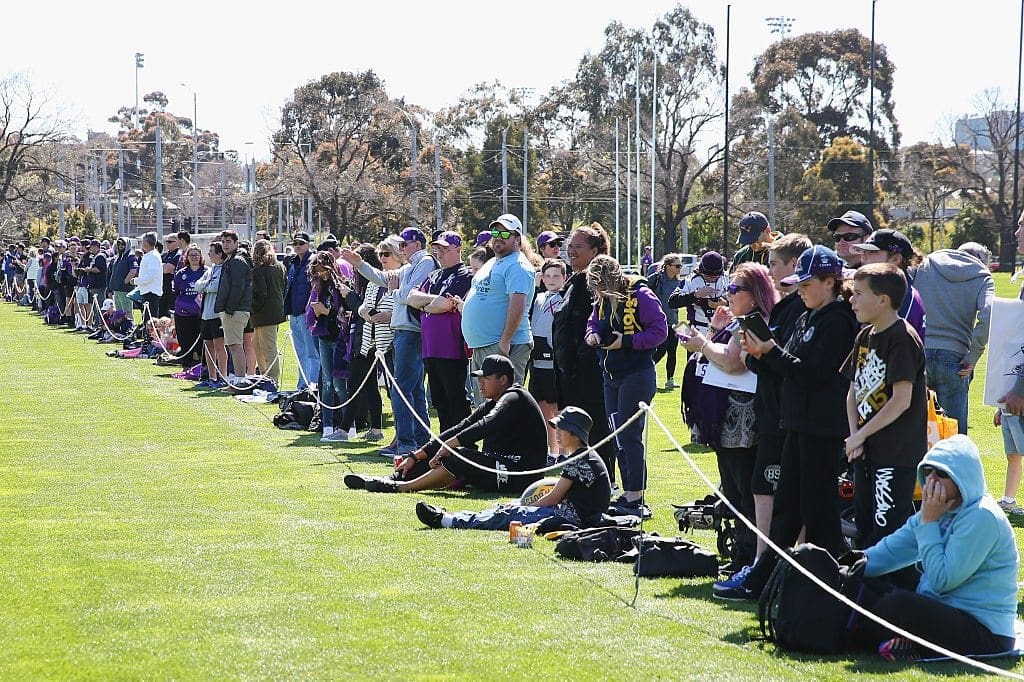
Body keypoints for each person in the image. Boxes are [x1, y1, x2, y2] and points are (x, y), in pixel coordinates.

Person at [719, 245, 859, 600]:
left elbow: (812, 374)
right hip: (795, 424)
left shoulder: (839, 321)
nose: (801, 291)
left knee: (818, 512)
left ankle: (836, 585)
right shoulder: (806, 315)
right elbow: (785, 368)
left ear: (830, 282)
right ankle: (766, 577)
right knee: (788, 509)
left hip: (821, 428)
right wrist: (760, 355)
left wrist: (771, 352)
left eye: (808, 284)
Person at [853, 436, 1019, 661]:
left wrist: (929, 523)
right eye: (928, 471)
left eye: (941, 474)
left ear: (963, 479)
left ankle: (854, 633)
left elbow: (943, 579)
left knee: (898, 605)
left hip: (985, 633)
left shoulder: (982, 517)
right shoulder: (939, 509)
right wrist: (853, 566)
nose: (931, 479)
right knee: (871, 584)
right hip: (943, 611)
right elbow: (892, 551)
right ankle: (893, 638)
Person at [681, 263, 778, 577]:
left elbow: (732, 363)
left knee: (743, 489)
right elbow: (713, 356)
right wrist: (711, 332)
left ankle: (747, 558)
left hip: (746, 421)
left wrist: (703, 344)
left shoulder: (755, 322)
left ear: (754, 295)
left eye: (735, 289)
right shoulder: (739, 321)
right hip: (729, 419)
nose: (728, 294)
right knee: (733, 488)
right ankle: (741, 553)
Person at [344, 355, 547, 495]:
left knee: (459, 454)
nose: (481, 383)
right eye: (480, 378)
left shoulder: (515, 397)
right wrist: (417, 455)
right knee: (440, 454)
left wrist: (449, 445)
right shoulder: (494, 401)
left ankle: (400, 488)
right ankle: (391, 479)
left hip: (519, 474)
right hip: (498, 466)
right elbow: (461, 427)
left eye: (486, 377)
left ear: (503, 380)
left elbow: (486, 425)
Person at [414, 406, 611, 531]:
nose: (557, 433)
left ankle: (447, 520)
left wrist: (521, 506)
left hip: (574, 519)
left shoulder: (580, 460)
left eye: (562, 429)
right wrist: (518, 502)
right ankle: (455, 518)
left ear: (575, 434)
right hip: (572, 514)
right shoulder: (583, 456)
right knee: (506, 509)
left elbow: (554, 497)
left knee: (507, 515)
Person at [843, 264, 928, 548]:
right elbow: (853, 391)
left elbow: (901, 401)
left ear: (883, 300)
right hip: (865, 450)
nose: (851, 300)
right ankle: (864, 588)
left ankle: (891, 589)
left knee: (887, 525)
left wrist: (861, 435)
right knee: (865, 525)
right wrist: (855, 435)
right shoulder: (864, 336)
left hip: (895, 452)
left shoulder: (902, 338)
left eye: (858, 294)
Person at [744, 233, 811, 561]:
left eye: (773, 264)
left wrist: (764, 353)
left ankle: (768, 563)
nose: (769, 271)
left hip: (786, 414)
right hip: (772, 410)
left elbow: (794, 365)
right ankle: (769, 563)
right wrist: (757, 354)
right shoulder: (788, 306)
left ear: (794, 265)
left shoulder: (802, 308)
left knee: (771, 490)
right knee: (767, 489)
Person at [585, 254, 668, 516]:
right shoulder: (602, 299)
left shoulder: (641, 294)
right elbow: (593, 320)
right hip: (610, 375)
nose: (597, 293)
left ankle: (636, 495)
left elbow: (660, 331)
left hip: (636, 374)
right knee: (618, 435)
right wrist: (592, 334)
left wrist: (627, 342)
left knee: (630, 435)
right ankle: (628, 491)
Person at [342, 227, 436, 456]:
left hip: (410, 331)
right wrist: (359, 264)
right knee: (410, 390)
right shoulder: (408, 267)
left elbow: (408, 295)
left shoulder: (425, 261)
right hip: (402, 331)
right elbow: (383, 279)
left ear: (418, 244)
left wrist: (395, 291)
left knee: (402, 389)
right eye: (400, 245)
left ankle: (407, 444)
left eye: (405, 244)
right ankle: (419, 441)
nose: (402, 249)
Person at [552, 223, 618, 485]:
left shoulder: (595, 282)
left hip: (589, 373)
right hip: (569, 372)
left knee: (595, 429)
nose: (571, 251)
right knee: (574, 432)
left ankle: (603, 482)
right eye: (570, 247)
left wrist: (580, 361)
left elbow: (596, 325)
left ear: (595, 250)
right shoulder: (574, 280)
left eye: (578, 246)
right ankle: (579, 479)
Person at [911, 243, 993, 434]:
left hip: (918, 352)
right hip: (955, 357)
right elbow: (989, 313)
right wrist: (973, 355)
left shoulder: (927, 263)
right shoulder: (982, 276)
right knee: (955, 434)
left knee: (915, 429)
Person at [459, 214, 536, 395]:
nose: (498, 237)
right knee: (484, 406)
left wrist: (504, 342)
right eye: (495, 232)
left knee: (503, 407)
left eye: (505, 234)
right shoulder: (493, 261)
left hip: (504, 345)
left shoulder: (518, 265)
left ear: (517, 239)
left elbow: (517, 305)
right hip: (482, 345)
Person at [407, 230, 473, 433]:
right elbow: (411, 297)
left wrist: (426, 303)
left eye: (445, 249)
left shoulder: (466, 275)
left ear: (458, 249)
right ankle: (444, 447)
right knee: (439, 400)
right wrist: (430, 304)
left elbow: (447, 304)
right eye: (437, 249)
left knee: (456, 399)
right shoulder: (433, 275)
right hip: (430, 347)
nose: (440, 253)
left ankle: (463, 447)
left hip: (451, 347)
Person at [338, 245, 389, 442]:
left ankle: (344, 430)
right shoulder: (368, 284)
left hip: (367, 339)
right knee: (369, 385)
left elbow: (366, 311)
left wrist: (348, 296)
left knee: (356, 384)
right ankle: (375, 429)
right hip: (362, 337)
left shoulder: (374, 284)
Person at [850, 229, 926, 342]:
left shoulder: (904, 297)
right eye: (864, 252)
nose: (864, 257)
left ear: (895, 259)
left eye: (872, 252)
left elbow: (895, 346)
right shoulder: (886, 289)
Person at [307, 251, 350, 442]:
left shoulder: (341, 287)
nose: (320, 274)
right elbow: (312, 313)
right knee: (326, 383)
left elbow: (344, 314)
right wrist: (318, 313)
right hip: (324, 337)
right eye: (317, 271)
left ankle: (349, 425)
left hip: (339, 338)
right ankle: (327, 425)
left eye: (323, 270)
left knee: (340, 384)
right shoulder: (318, 287)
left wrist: (327, 311)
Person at [529, 258, 567, 454]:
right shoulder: (538, 298)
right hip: (537, 362)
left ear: (564, 277)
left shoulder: (564, 298)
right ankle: (550, 451)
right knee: (542, 406)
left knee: (557, 408)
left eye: (556, 276)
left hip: (554, 362)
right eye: (548, 276)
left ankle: (562, 452)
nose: (552, 279)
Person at [214, 230, 253, 387]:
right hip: (236, 309)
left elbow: (238, 287)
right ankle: (239, 379)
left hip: (236, 310)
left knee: (235, 346)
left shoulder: (237, 261)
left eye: (228, 241)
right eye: (223, 242)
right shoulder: (233, 260)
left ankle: (239, 380)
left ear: (236, 242)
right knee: (234, 345)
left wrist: (229, 309)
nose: (225, 245)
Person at [284, 231, 319, 390]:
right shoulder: (293, 262)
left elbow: (315, 288)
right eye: (295, 243)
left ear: (308, 244)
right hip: (295, 313)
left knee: (312, 353)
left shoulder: (313, 262)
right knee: (300, 353)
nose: (297, 246)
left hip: (308, 314)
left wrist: (311, 311)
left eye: (301, 243)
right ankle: (302, 385)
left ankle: (313, 385)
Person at [668, 251, 728, 344]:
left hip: (721, 333)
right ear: (701, 271)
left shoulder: (726, 279)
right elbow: (672, 301)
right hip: (698, 331)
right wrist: (695, 295)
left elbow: (742, 304)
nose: (712, 279)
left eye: (715, 277)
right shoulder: (691, 280)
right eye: (708, 276)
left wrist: (725, 304)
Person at [250, 239, 286, 387]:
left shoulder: (259, 270)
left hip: (262, 312)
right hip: (275, 311)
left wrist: (252, 308)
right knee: (257, 344)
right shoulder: (280, 267)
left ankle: (272, 379)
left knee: (268, 347)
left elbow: (260, 293)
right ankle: (265, 376)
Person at [647, 253, 685, 388]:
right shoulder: (656, 279)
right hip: (658, 322)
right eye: (677, 266)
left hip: (675, 323)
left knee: (672, 352)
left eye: (680, 265)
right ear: (668, 266)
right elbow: (643, 291)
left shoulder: (679, 283)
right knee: (661, 350)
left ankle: (670, 380)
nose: (680, 268)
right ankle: (645, 371)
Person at [195, 242, 227, 388]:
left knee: (220, 346)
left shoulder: (224, 269)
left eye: (211, 252)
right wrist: (206, 285)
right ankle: (212, 377)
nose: (209, 254)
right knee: (208, 345)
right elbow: (197, 285)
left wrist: (206, 286)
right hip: (206, 314)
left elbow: (215, 287)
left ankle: (223, 377)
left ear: (219, 254)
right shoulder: (210, 270)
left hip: (217, 314)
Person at [171, 244, 206, 369]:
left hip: (201, 314)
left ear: (201, 256)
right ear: (187, 257)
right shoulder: (181, 273)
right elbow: (175, 292)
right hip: (183, 313)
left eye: (197, 255)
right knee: (185, 341)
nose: (194, 257)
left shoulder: (206, 272)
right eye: (191, 255)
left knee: (202, 342)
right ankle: (186, 367)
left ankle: (204, 369)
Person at [132, 232, 163, 323]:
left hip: (151, 292)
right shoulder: (149, 255)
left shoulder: (153, 256)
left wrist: (136, 281)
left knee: (151, 319)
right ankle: (147, 335)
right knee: (147, 318)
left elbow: (150, 276)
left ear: (146, 243)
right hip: (147, 291)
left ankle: (151, 336)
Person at [107, 237, 137, 315]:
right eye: (119, 244)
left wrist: (124, 282)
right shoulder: (118, 257)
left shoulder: (130, 256)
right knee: (118, 313)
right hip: (116, 289)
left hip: (125, 290)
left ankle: (129, 327)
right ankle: (121, 327)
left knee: (127, 312)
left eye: (123, 244)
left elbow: (133, 270)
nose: (120, 246)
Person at [160, 233, 182, 317]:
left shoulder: (178, 255)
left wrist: (162, 266)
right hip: (162, 290)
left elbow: (166, 269)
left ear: (177, 242)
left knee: (170, 314)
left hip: (171, 291)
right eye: (166, 241)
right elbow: (157, 269)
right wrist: (163, 266)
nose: (167, 243)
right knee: (161, 315)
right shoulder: (164, 255)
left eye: (170, 241)